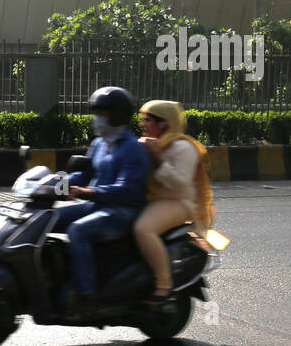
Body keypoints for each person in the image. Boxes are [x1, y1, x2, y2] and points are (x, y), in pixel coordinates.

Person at [53, 86, 150, 313]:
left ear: (117, 116)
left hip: (122, 212)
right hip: (97, 205)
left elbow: (125, 189)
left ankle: (87, 294)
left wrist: (87, 192)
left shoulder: (132, 149)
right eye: (96, 113)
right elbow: (84, 174)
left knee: (79, 230)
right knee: (48, 217)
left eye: (103, 114)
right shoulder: (99, 143)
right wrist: (52, 183)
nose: (97, 119)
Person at [134, 100, 215, 307]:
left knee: (143, 229)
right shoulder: (151, 142)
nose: (143, 124)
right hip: (154, 199)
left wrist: (158, 159)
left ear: (164, 123)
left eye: (148, 120)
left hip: (177, 202)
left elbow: (180, 183)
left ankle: (164, 284)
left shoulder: (183, 147)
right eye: (142, 119)